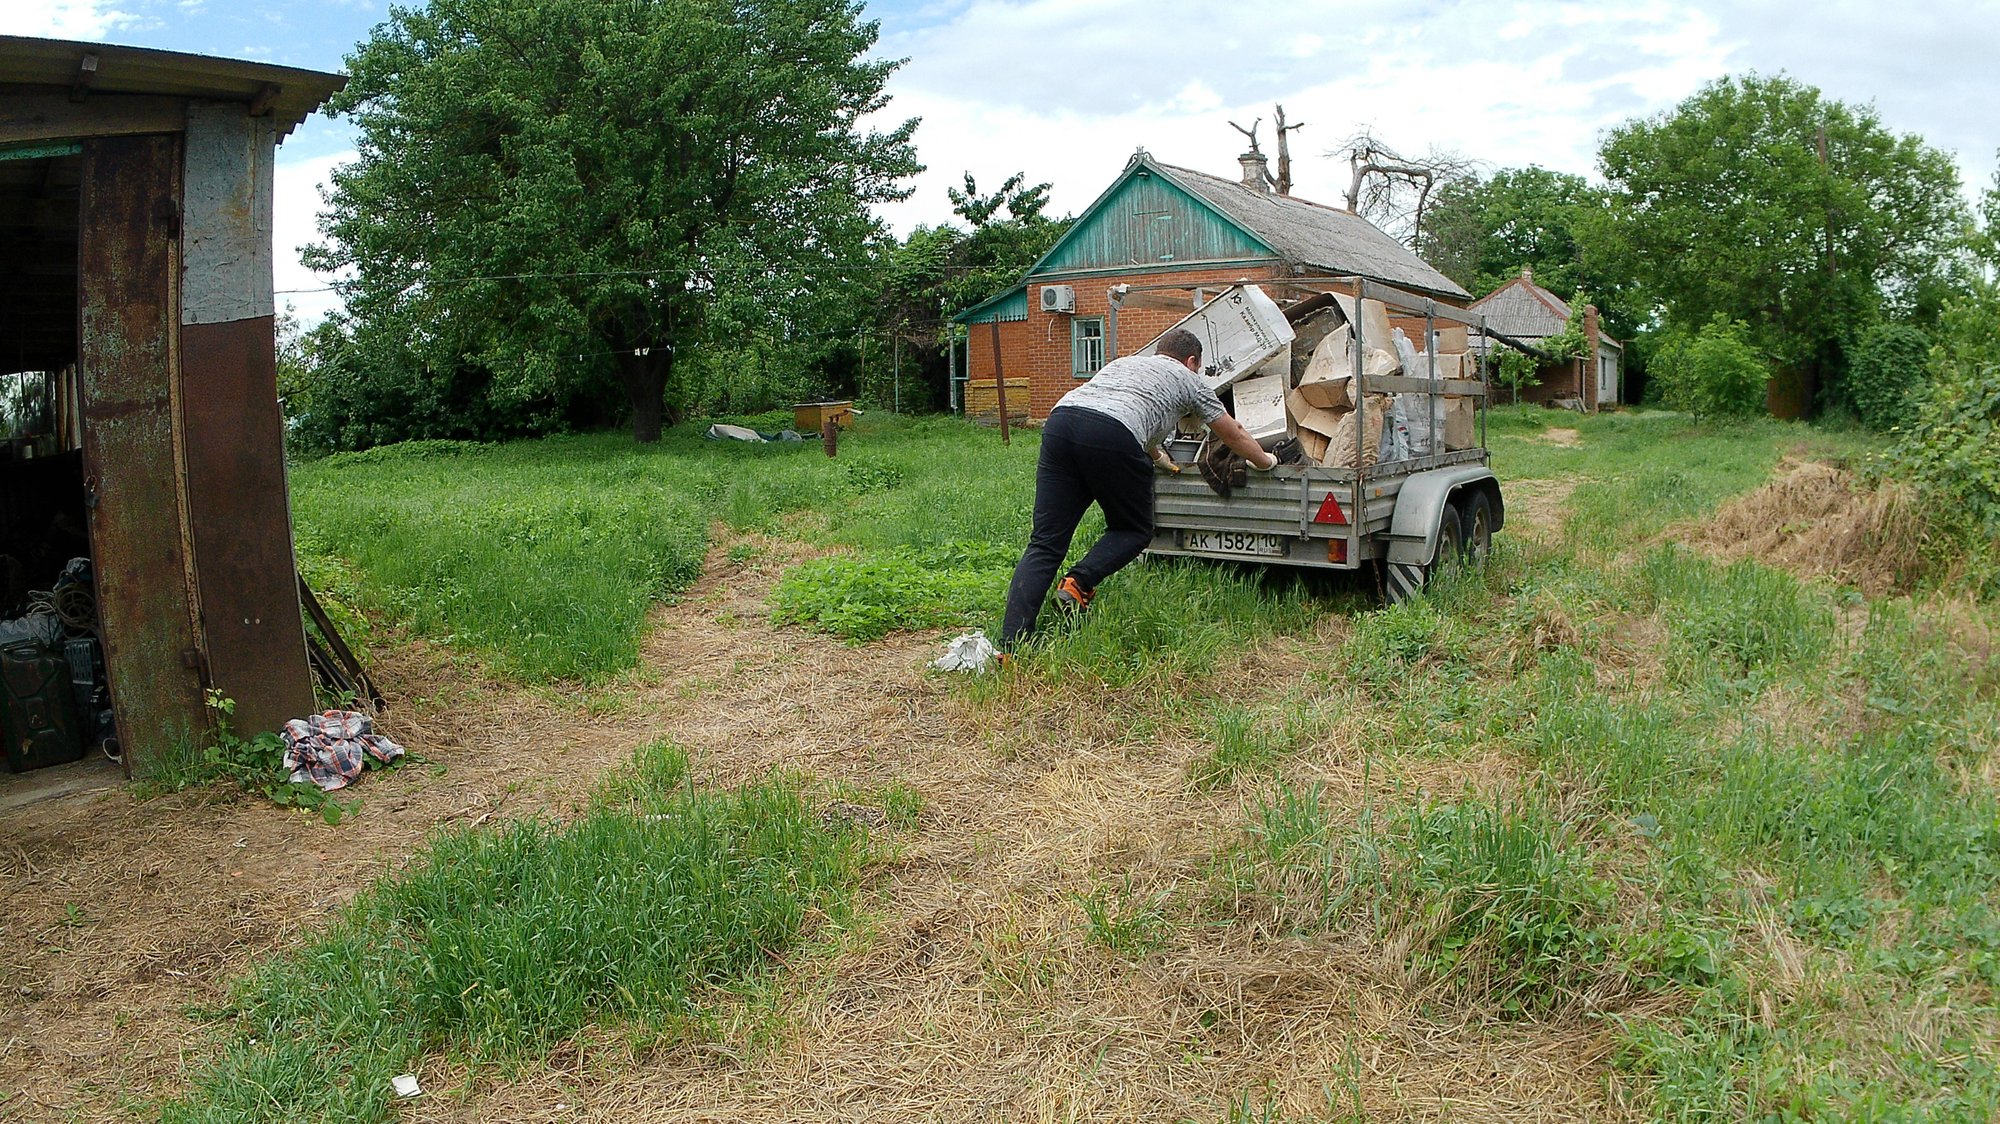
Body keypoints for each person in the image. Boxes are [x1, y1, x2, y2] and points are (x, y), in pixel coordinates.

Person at [999, 327, 1278, 649]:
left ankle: (1011, 647)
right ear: (1191, 361)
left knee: (1045, 544)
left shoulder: (1124, 364)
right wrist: (1265, 461)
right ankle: (1079, 582)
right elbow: (1234, 434)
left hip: (1061, 424)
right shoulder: (1190, 379)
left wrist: (1157, 455)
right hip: (1111, 434)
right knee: (1132, 530)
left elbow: (1123, 411)